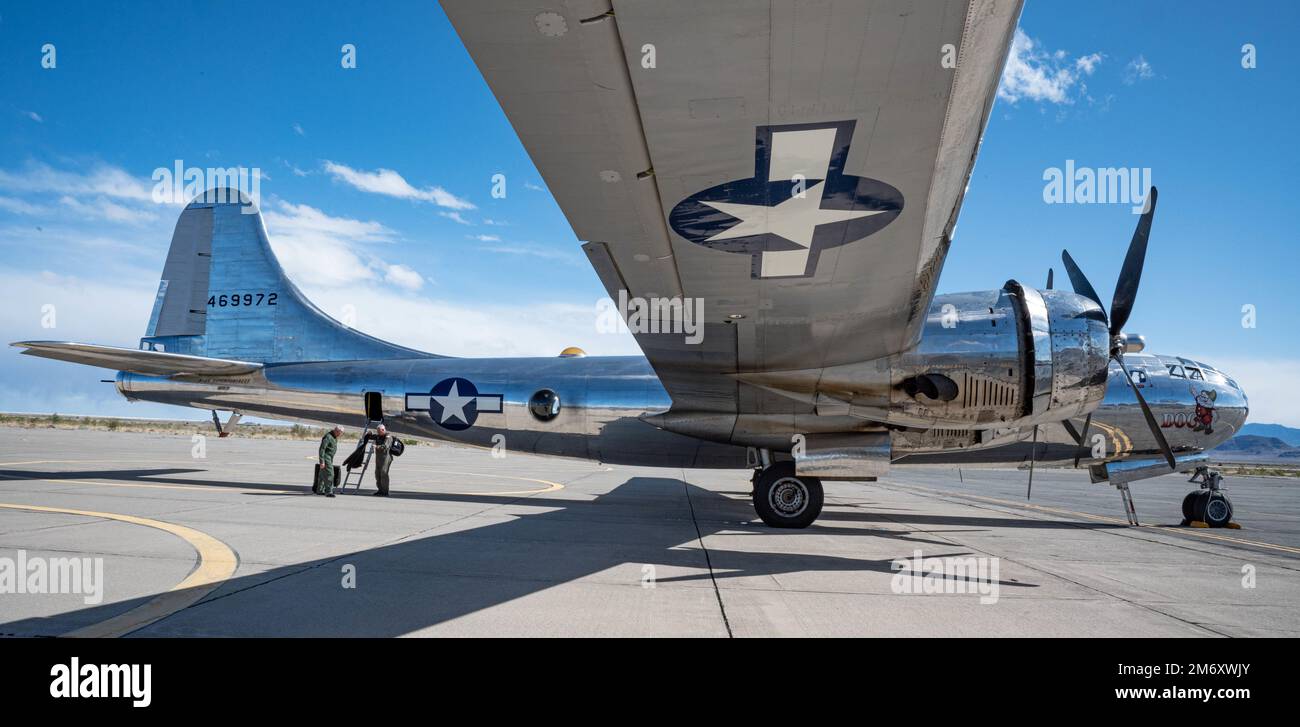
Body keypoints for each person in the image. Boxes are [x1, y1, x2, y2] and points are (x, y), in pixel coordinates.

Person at [365, 424, 401, 497]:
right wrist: (369, 434)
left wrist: (376, 446)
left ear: (383, 430)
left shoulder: (388, 437)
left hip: (386, 457)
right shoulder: (379, 436)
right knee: (377, 474)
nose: (378, 432)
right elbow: (372, 437)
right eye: (377, 431)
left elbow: (385, 447)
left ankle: (385, 491)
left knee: (383, 473)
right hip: (378, 458)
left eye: (379, 431)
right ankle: (380, 490)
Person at [315, 425, 343, 498]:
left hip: (330, 458)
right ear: (337, 431)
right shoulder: (328, 437)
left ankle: (320, 490)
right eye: (340, 433)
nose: (341, 434)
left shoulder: (334, 437)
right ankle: (329, 492)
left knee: (322, 474)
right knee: (330, 474)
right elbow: (322, 449)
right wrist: (322, 461)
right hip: (326, 457)